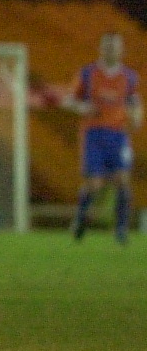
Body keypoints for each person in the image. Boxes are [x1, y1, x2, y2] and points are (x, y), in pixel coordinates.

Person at [66, 31, 139, 243]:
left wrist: (136, 117)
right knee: (94, 184)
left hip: (118, 135)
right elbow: (69, 100)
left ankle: (121, 229)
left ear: (121, 49)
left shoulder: (130, 77)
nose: (111, 50)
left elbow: (133, 101)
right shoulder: (88, 74)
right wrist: (83, 107)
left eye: (115, 46)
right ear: (101, 48)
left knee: (123, 181)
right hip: (94, 134)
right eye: (107, 46)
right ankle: (80, 220)